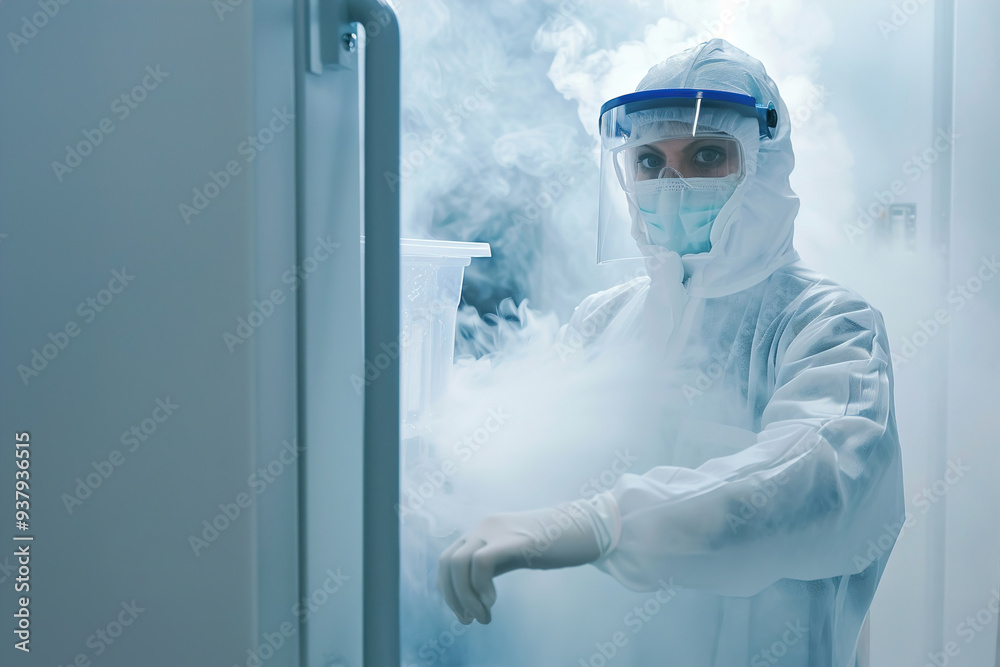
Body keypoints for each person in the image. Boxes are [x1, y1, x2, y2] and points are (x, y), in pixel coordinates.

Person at [437, 38, 905, 667]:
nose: (671, 184)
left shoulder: (830, 324)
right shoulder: (602, 321)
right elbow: (518, 460)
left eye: (707, 155)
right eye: (649, 161)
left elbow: (815, 486)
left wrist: (604, 523)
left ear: (766, 163)